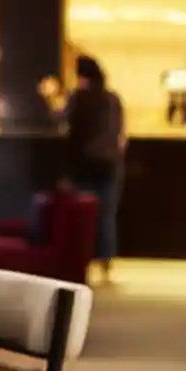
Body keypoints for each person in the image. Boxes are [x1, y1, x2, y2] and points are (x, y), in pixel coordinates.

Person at [61, 55, 126, 284]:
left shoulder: (78, 98)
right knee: (106, 216)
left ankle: (84, 265)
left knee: (83, 218)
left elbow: (65, 126)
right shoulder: (112, 99)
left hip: (84, 165)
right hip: (110, 164)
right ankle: (107, 266)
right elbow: (120, 133)